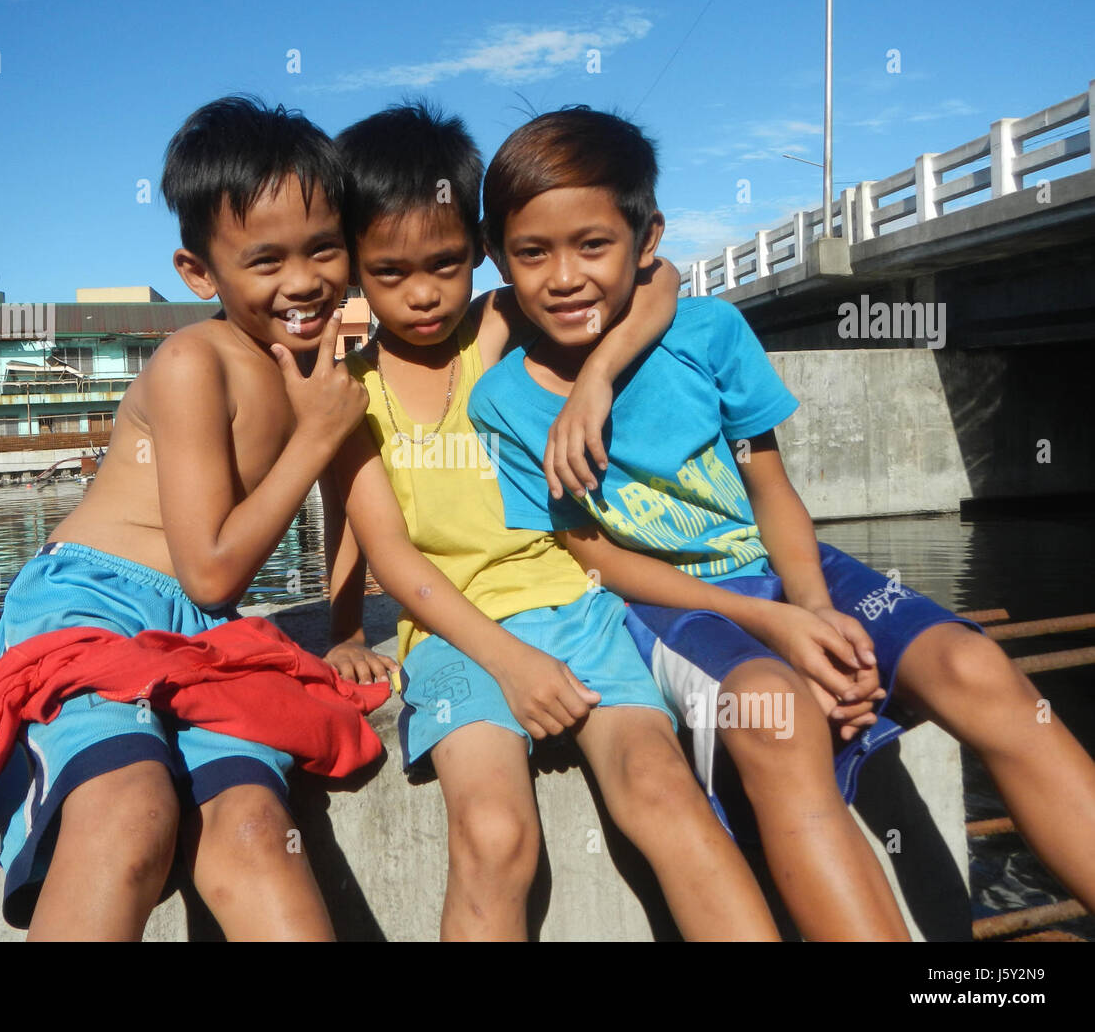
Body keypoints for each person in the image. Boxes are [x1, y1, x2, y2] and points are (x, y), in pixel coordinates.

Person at [468, 105, 1095, 940]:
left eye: (593, 245)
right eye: (531, 253)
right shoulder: (505, 400)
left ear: (646, 239)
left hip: (787, 569)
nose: (564, 276)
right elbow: (594, 557)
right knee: (778, 712)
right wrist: (776, 622)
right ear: (499, 259)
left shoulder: (709, 332)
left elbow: (771, 488)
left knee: (977, 668)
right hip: (671, 605)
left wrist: (816, 607)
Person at [326, 101, 779, 941]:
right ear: (354, 265)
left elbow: (662, 278)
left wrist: (600, 371)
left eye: (447, 262)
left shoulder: (497, 324)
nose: (424, 293)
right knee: (497, 833)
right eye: (390, 272)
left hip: (583, 605)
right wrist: (349, 626)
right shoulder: (347, 399)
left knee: (664, 792)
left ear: (481, 251)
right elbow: (377, 542)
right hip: (457, 634)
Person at [0, 96, 374, 940]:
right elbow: (212, 568)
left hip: (206, 633)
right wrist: (317, 436)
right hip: (95, 606)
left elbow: (346, 505)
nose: (302, 281)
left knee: (256, 830)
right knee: (129, 812)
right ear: (200, 272)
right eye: (264, 259)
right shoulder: (195, 360)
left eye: (324, 248)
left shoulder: (328, 369)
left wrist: (345, 629)